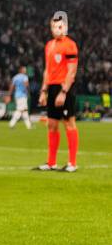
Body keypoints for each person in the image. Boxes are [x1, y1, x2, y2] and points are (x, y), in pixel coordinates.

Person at [37, 11, 79, 172]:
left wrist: (63, 92)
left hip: (64, 87)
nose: (56, 29)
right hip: (52, 87)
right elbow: (47, 70)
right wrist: (43, 91)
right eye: (54, 26)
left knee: (69, 123)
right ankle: (51, 162)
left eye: (60, 26)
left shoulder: (70, 45)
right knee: (52, 124)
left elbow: (72, 71)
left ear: (65, 27)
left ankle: (72, 163)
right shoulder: (49, 45)